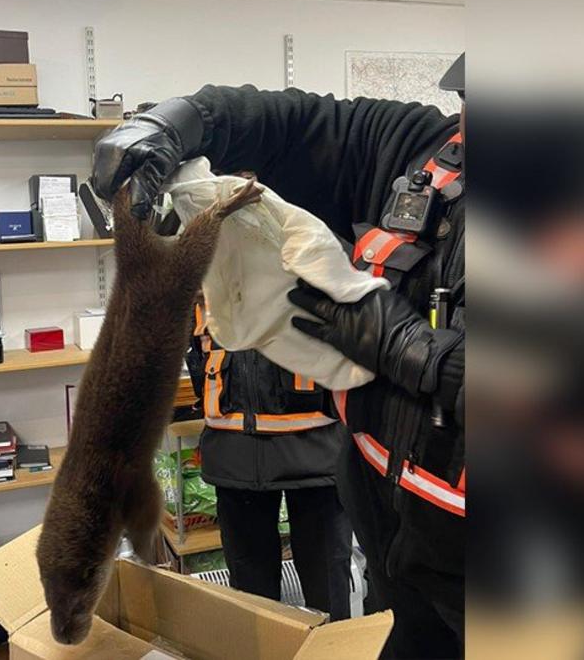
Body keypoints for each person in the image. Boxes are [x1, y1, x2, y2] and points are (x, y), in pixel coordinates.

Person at [91, 55, 466, 659]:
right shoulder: (428, 149)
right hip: (390, 519)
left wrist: (415, 351)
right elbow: (296, 124)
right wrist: (177, 123)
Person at [185, 296, 355, 620]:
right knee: (253, 612)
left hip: (317, 450)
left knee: (329, 600)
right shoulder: (205, 271)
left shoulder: (323, 262)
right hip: (234, 453)